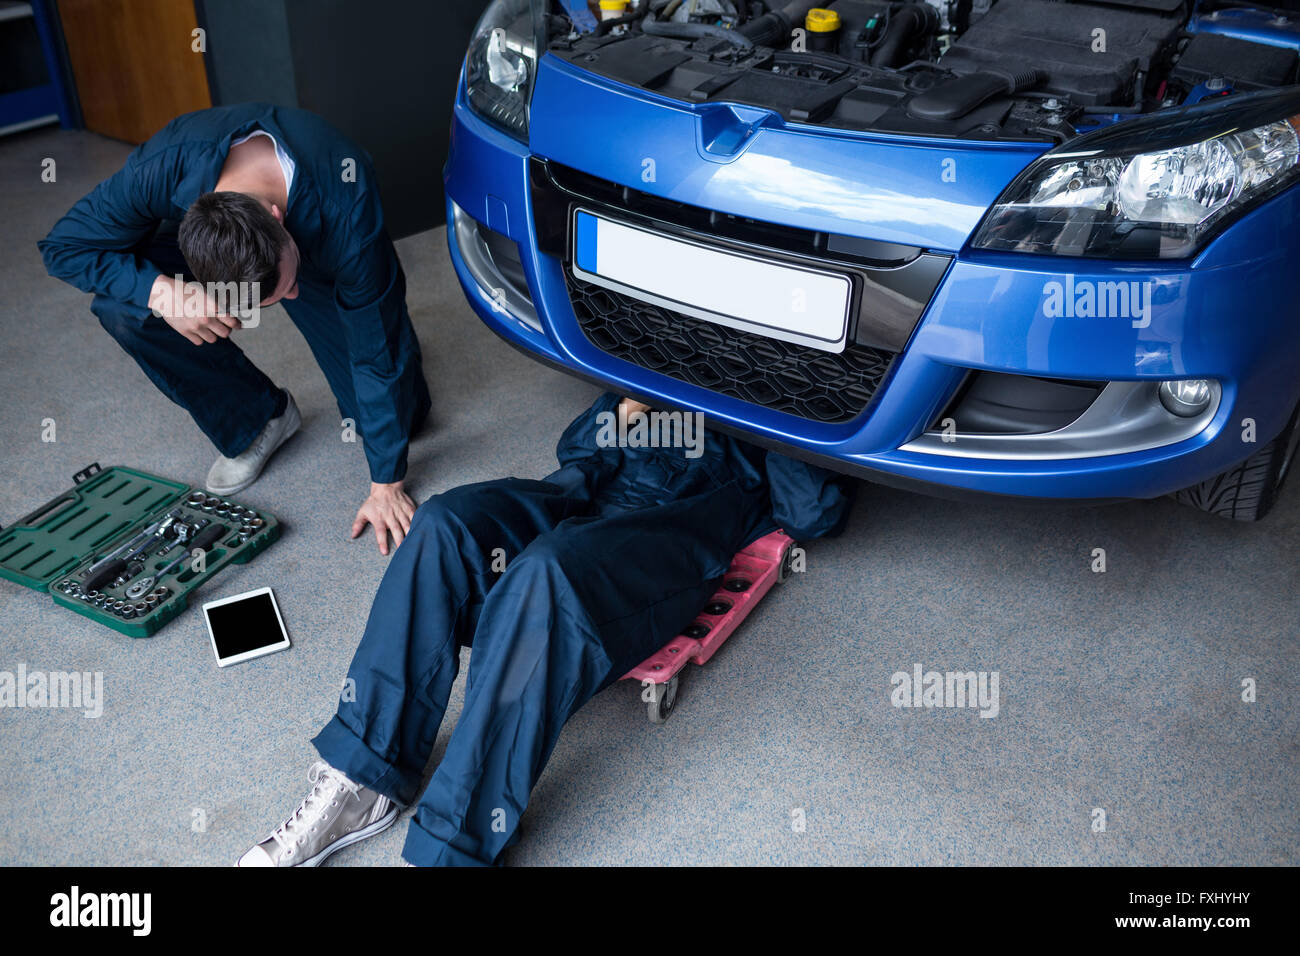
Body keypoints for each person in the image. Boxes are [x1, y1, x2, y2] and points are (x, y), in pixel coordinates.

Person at [238, 393, 854, 867]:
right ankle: (361, 778)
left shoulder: (778, 400)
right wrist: (626, 403)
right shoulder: (674, 344)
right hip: (577, 501)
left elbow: (812, 512)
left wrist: (781, 408)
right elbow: (578, 450)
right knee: (444, 525)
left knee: (543, 578)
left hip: (661, 542)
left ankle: (452, 843)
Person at [38, 103, 431, 554]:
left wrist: (386, 486)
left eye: (282, 288)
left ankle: (390, 372)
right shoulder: (165, 166)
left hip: (324, 256)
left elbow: (374, 351)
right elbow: (63, 246)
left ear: (280, 219)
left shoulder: (347, 203)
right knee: (123, 307)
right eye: (267, 300)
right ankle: (258, 418)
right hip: (234, 247)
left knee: (401, 418)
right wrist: (161, 291)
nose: (290, 301)